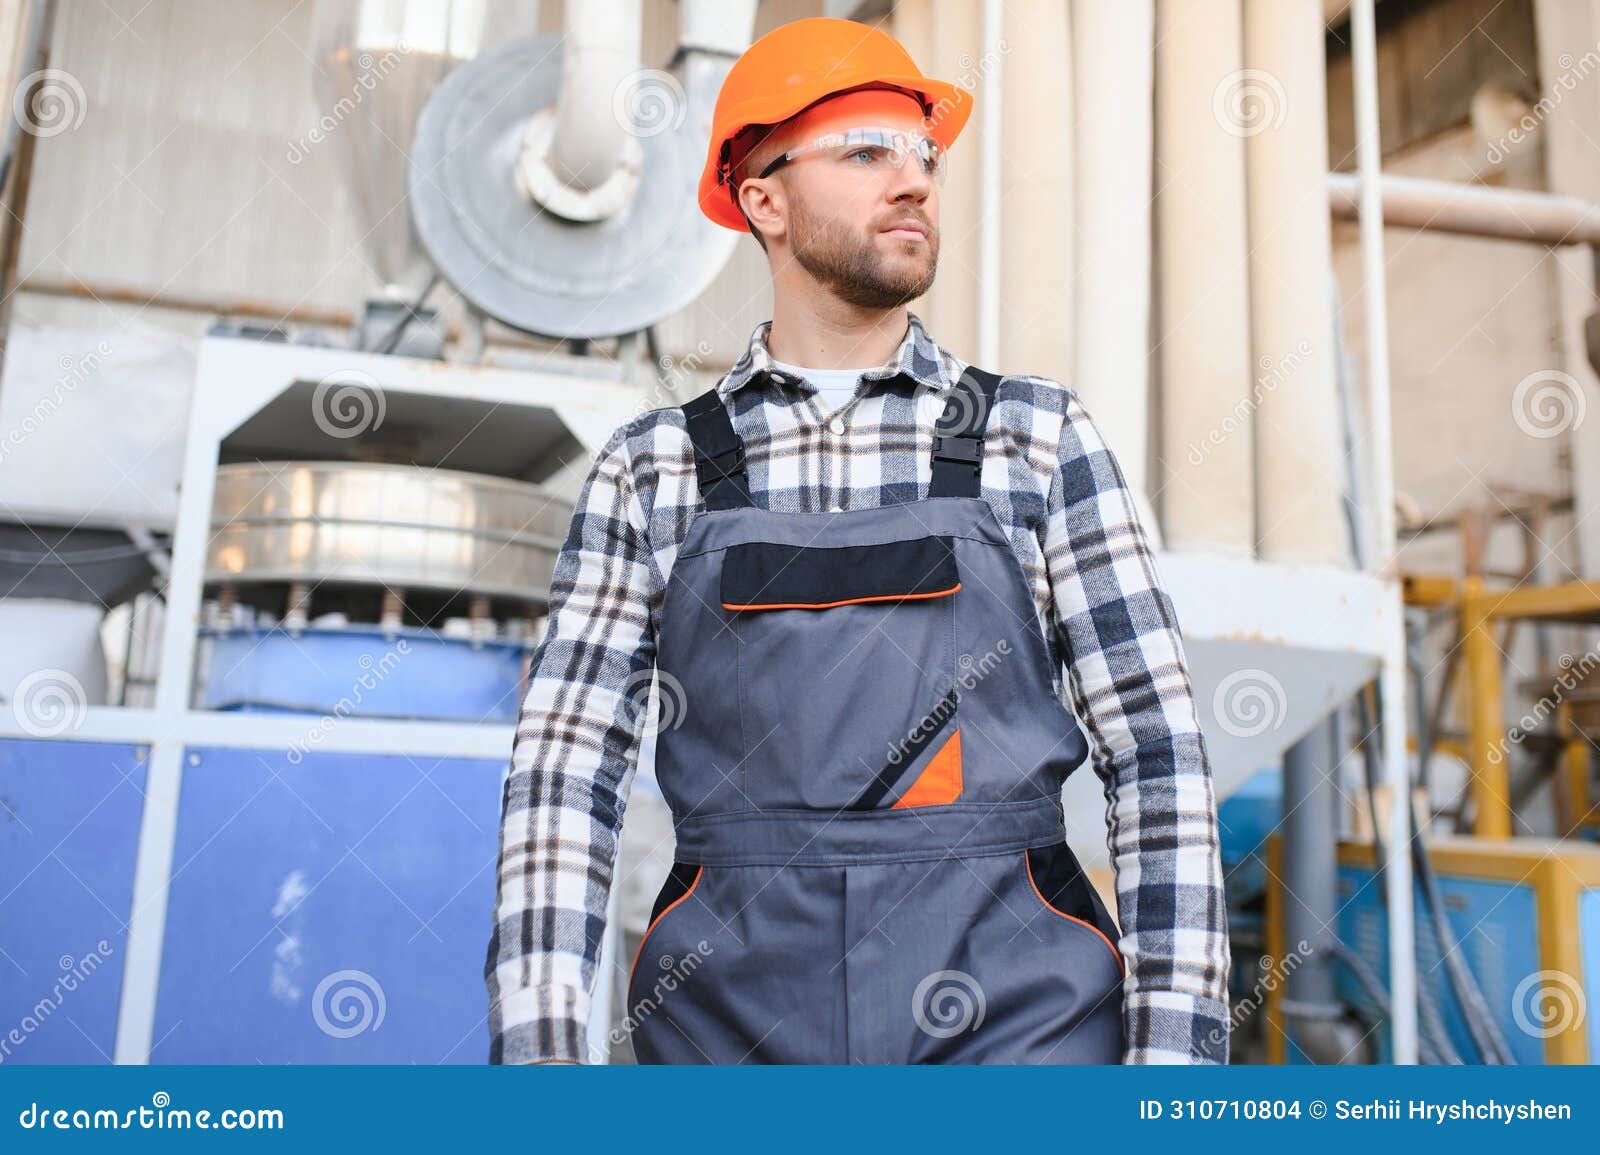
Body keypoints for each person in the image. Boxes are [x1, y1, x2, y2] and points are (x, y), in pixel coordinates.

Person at [486, 15, 1230, 1065]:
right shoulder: (652, 470)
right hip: (731, 1026)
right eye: (867, 151)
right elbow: (564, 771)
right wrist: (541, 1059)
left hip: (1018, 1026)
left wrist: (1175, 1066)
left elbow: (1156, 750)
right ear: (764, 198)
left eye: (923, 156)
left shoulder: (1035, 439)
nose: (916, 181)